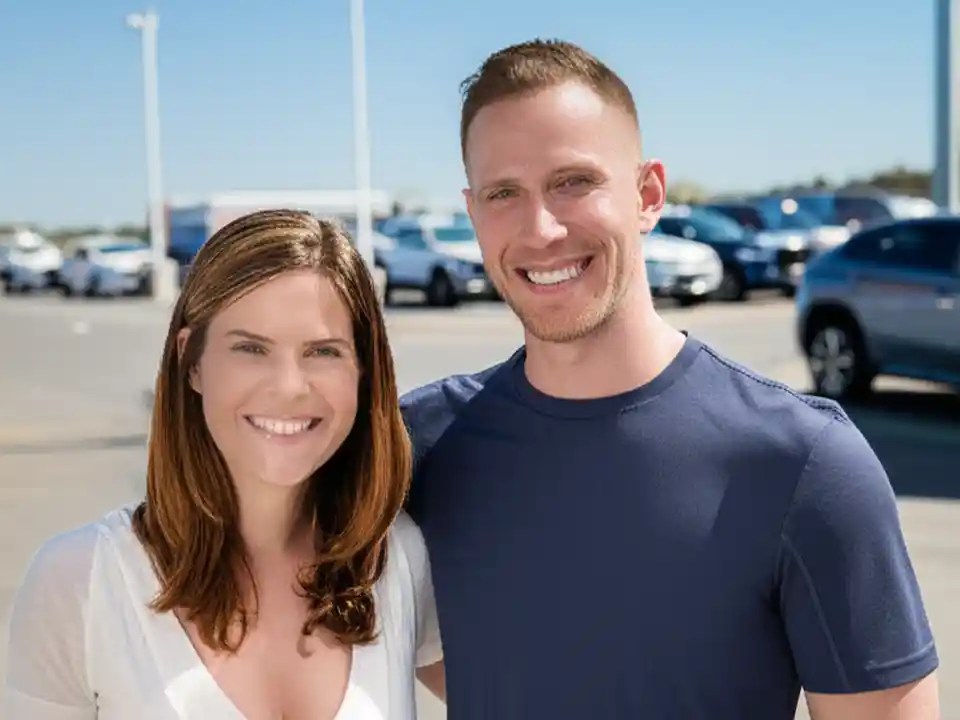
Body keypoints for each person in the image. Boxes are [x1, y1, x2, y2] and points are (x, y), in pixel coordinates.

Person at [401, 39, 940, 718]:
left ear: (648, 194)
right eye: (503, 192)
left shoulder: (803, 461)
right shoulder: (417, 448)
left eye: (573, 181)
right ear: (474, 212)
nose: (540, 228)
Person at [4, 209, 444, 719]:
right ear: (192, 361)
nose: (288, 386)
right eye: (250, 349)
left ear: (364, 371)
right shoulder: (80, 579)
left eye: (323, 351)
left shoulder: (399, 562)